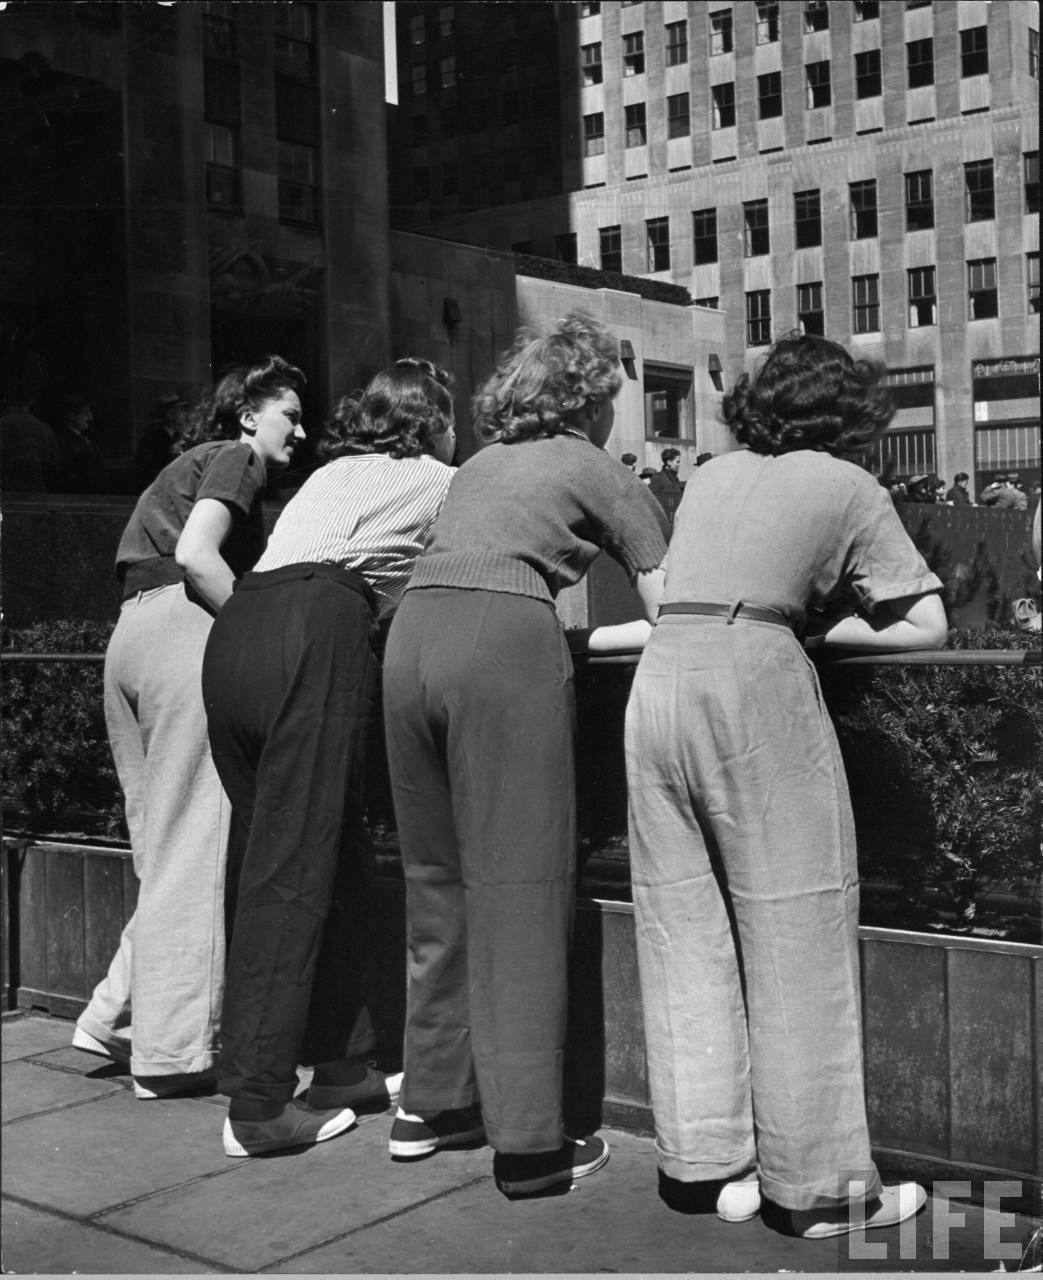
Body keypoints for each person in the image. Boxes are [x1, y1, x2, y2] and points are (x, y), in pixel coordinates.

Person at [625, 333, 946, 1238]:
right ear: (852, 413)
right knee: (795, 924)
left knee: (681, 918)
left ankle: (705, 1164)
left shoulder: (713, 476)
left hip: (659, 687)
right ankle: (819, 1191)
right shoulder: (846, 485)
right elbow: (923, 624)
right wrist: (817, 630)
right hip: (751, 677)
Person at [382, 313, 668, 1198]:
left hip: (408, 642)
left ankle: (429, 1106)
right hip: (502, 644)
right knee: (520, 887)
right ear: (588, 402)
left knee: (435, 880)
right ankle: (533, 1146)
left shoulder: (476, 465)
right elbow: (675, 604)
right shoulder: (588, 462)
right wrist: (588, 642)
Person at [201, 359, 457, 1158]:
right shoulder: (441, 478)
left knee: (305, 852)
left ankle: (341, 1061)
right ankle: (258, 1108)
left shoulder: (331, 473)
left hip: (240, 626)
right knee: (297, 866)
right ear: (433, 422)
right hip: (317, 625)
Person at [72, 354, 306, 1098]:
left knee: (163, 844)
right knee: (197, 844)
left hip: (131, 636)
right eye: (289, 415)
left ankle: (114, 1014)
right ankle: (169, 1056)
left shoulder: (186, 464)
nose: (300, 431)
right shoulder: (236, 460)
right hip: (184, 629)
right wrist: (254, 631)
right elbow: (197, 554)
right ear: (247, 415)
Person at [130, 392, 190, 492]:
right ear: (169, 415)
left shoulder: (173, 436)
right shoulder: (155, 439)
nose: (185, 415)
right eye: (180, 411)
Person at [0, 395, 59, 491]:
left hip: (6, 490)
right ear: (30, 401)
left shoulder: (3, 424)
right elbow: (53, 467)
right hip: (36, 490)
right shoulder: (45, 429)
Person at [54, 394, 106, 493]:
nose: (90, 418)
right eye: (86, 413)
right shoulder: (64, 442)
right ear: (72, 415)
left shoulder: (85, 442)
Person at [648, 446, 684, 520]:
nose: (679, 465)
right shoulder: (657, 478)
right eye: (677, 462)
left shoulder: (676, 479)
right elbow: (653, 504)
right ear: (669, 462)